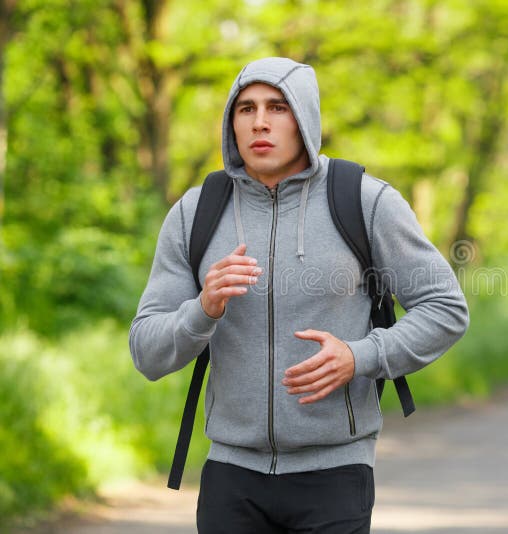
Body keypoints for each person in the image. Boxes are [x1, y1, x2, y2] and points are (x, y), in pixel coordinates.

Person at [128, 57, 469, 533]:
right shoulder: (195, 212)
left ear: (305, 117)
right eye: (245, 109)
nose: (260, 122)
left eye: (278, 107)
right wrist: (201, 310)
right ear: (231, 122)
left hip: (335, 473)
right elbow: (146, 351)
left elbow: (446, 308)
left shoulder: (366, 202)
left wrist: (361, 356)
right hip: (231, 476)